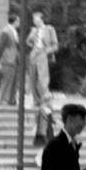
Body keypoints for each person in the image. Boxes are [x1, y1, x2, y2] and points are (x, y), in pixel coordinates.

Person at [27, 10, 59, 141]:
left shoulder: (49, 29)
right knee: (33, 78)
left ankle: (45, 101)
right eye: (33, 19)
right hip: (34, 54)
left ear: (41, 19)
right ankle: (36, 100)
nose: (34, 21)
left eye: (36, 19)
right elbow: (28, 41)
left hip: (43, 54)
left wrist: (46, 51)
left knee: (43, 79)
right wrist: (32, 43)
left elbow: (55, 45)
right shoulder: (34, 30)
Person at [0, 12, 21, 106]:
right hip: (7, 60)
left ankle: (12, 100)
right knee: (7, 81)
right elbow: (0, 47)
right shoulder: (5, 31)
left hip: (14, 59)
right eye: (18, 21)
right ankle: (3, 101)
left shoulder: (14, 31)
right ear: (15, 21)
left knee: (14, 81)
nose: (19, 23)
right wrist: (0, 59)